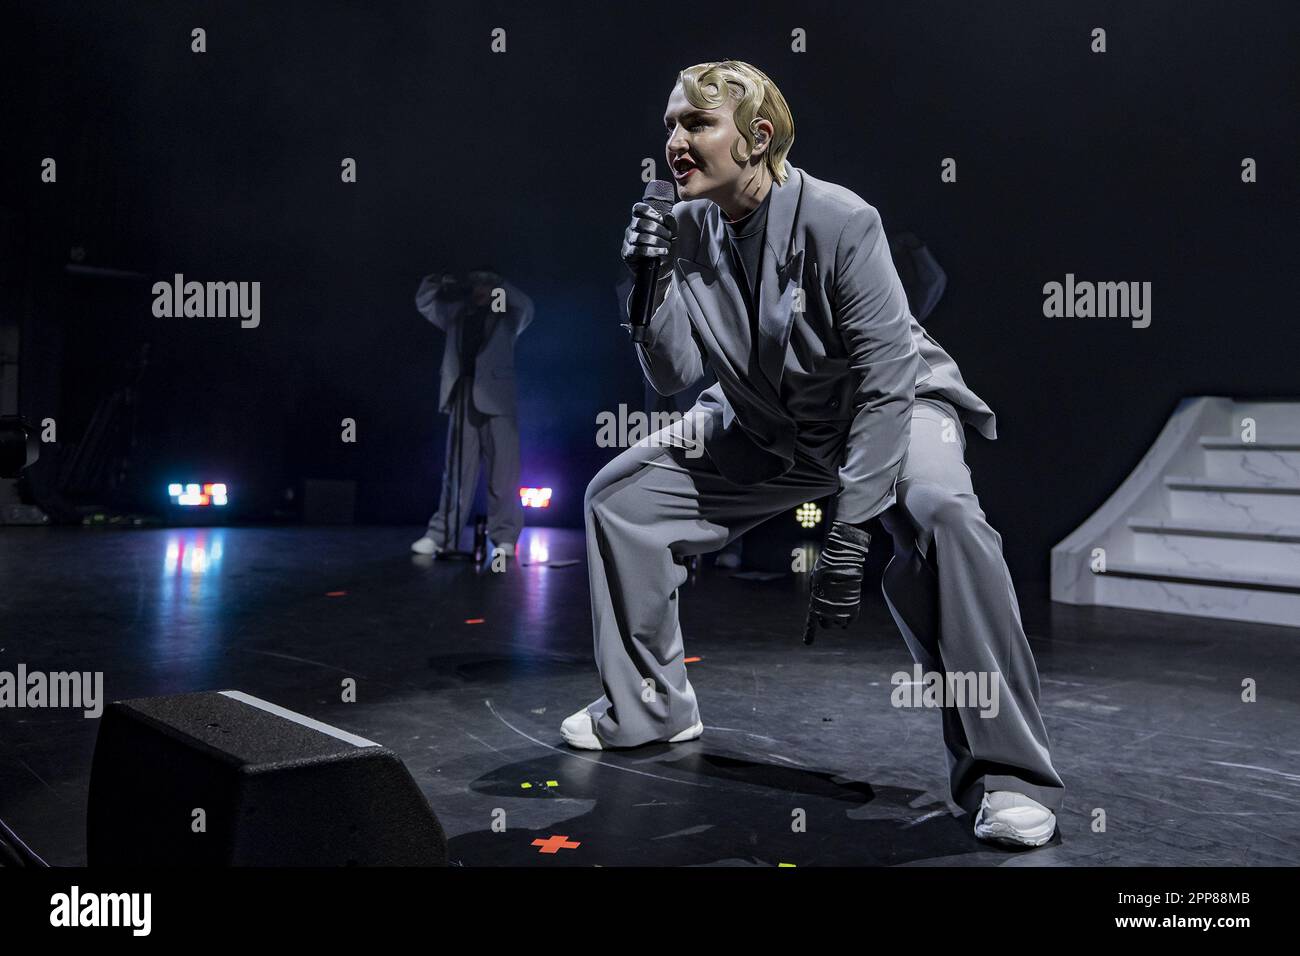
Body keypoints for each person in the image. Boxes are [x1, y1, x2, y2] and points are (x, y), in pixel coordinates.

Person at [562, 60, 1064, 848]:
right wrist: (646, 283)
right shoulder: (688, 230)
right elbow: (675, 374)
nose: (676, 143)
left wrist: (851, 529)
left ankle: (1008, 777)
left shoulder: (841, 219)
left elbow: (889, 380)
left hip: (892, 409)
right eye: (670, 126)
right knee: (622, 497)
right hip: (765, 419)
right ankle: (651, 705)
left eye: (697, 125)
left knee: (944, 516)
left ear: (758, 138)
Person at [410, 266, 532, 559]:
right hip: (462, 394)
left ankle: (504, 538)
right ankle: (441, 535)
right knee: (456, 473)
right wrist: (438, 279)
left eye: (485, 283)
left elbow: (526, 305)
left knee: (503, 475)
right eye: (475, 283)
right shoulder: (457, 313)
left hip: (497, 400)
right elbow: (425, 302)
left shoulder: (507, 315)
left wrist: (499, 284)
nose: (480, 289)